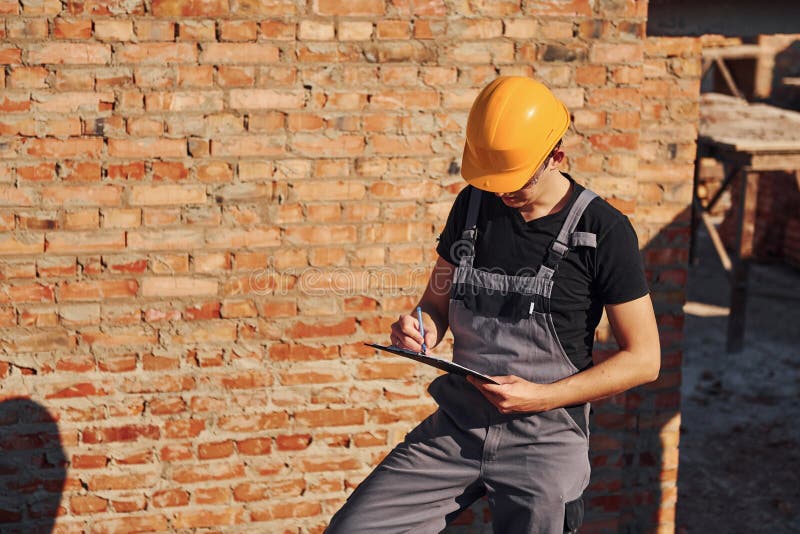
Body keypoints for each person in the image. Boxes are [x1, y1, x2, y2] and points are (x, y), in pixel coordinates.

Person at [326, 76, 661, 533]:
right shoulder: (470, 207)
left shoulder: (604, 231)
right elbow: (434, 304)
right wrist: (420, 326)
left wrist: (539, 397)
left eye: (514, 181)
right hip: (459, 425)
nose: (501, 193)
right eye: (493, 181)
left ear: (556, 158)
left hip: (546, 438)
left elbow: (644, 360)